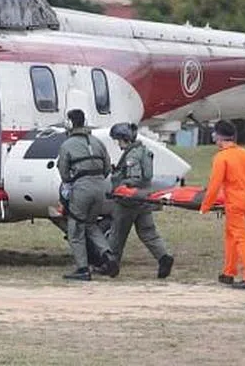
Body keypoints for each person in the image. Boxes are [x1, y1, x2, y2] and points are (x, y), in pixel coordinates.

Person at [198, 119, 245, 289]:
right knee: (231, 236)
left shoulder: (221, 157)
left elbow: (214, 185)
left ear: (219, 136)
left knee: (240, 238)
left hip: (235, 202)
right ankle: (229, 272)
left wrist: (205, 206)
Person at [56, 108, 118, 281]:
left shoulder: (67, 145)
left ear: (69, 124)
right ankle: (108, 255)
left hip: (82, 189)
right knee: (91, 225)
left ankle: (83, 269)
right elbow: (107, 167)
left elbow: (64, 173)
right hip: (100, 188)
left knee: (75, 229)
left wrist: (72, 182)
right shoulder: (97, 142)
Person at [109, 122, 174, 279]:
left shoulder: (132, 156)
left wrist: (120, 184)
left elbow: (134, 178)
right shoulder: (144, 151)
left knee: (117, 234)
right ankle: (163, 257)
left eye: (118, 140)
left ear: (125, 139)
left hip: (128, 201)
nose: (118, 144)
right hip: (144, 198)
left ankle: (111, 265)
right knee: (148, 232)